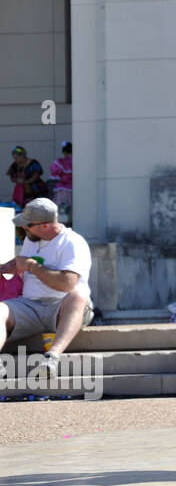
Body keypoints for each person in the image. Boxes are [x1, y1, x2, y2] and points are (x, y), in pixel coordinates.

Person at [0, 198, 93, 378]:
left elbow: (67, 283)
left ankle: (51, 358)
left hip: (61, 307)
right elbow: (22, 264)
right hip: (30, 305)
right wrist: (7, 267)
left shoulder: (73, 242)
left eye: (28, 225)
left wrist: (32, 266)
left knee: (78, 295)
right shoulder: (32, 239)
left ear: (45, 225)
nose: (24, 228)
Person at [48, 141, 72, 224]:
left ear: (64, 152)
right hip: (77, 190)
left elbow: (54, 175)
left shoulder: (61, 162)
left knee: (62, 214)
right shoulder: (79, 161)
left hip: (63, 191)